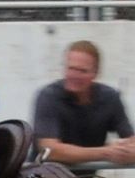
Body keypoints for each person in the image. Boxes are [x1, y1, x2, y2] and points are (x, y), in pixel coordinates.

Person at [34, 41, 134, 169]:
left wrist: (127, 152)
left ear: (95, 73)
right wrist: (106, 152)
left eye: (82, 71)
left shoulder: (110, 97)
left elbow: (131, 139)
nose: (75, 75)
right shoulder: (49, 96)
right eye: (71, 68)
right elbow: (50, 150)